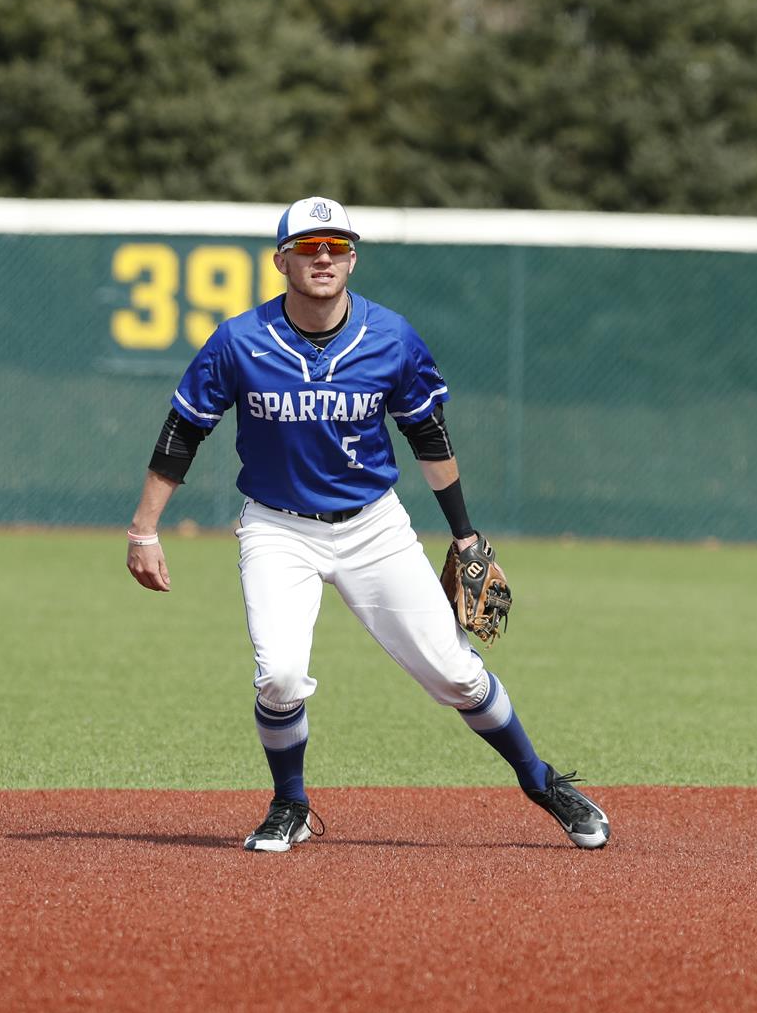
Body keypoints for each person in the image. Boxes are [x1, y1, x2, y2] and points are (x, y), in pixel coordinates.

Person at [125, 196, 609, 852]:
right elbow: (185, 431)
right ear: (281, 261)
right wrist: (144, 531)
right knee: (280, 677)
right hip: (278, 527)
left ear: (352, 258)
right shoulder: (239, 340)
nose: (321, 258)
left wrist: (464, 533)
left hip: (373, 528)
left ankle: (541, 781)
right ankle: (289, 804)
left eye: (335, 247)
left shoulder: (391, 337)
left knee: (458, 675)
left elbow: (429, 439)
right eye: (307, 247)